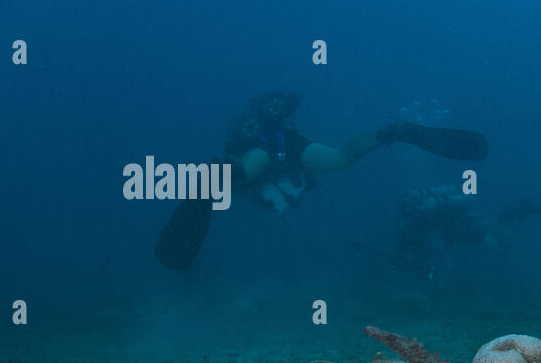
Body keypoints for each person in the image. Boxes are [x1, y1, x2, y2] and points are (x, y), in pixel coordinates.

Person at [154, 90, 488, 269]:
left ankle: (226, 170)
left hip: (267, 155)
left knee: (251, 166)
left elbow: (256, 163)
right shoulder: (282, 136)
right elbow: (334, 157)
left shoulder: (259, 146)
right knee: (343, 157)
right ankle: (393, 132)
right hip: (288, 147)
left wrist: (232, 171)